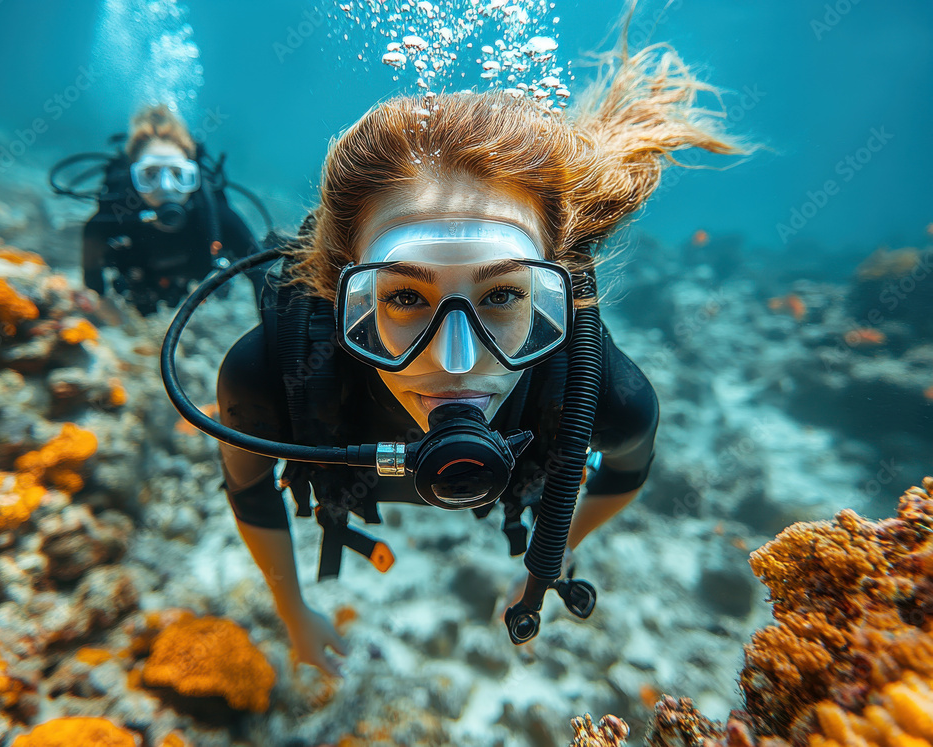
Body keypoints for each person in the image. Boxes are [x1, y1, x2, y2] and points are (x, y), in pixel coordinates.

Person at [186, 39, 742, 676]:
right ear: (345, 291)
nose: (455, 362)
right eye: (403, 296)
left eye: (502, 294)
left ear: (552, 292)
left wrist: (553, 550)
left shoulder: (609, 397)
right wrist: (293, 615)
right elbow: (251, 495)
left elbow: (623, 477)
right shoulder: (265, 379)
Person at [77, 104, 265, 315]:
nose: (166, 187)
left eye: (178, 174)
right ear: (132, 177)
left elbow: (261, 269)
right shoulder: (115, 215)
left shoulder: (213, 213)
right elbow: (92, 252)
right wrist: (100, 296)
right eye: (150, 174)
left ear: (193, 175)